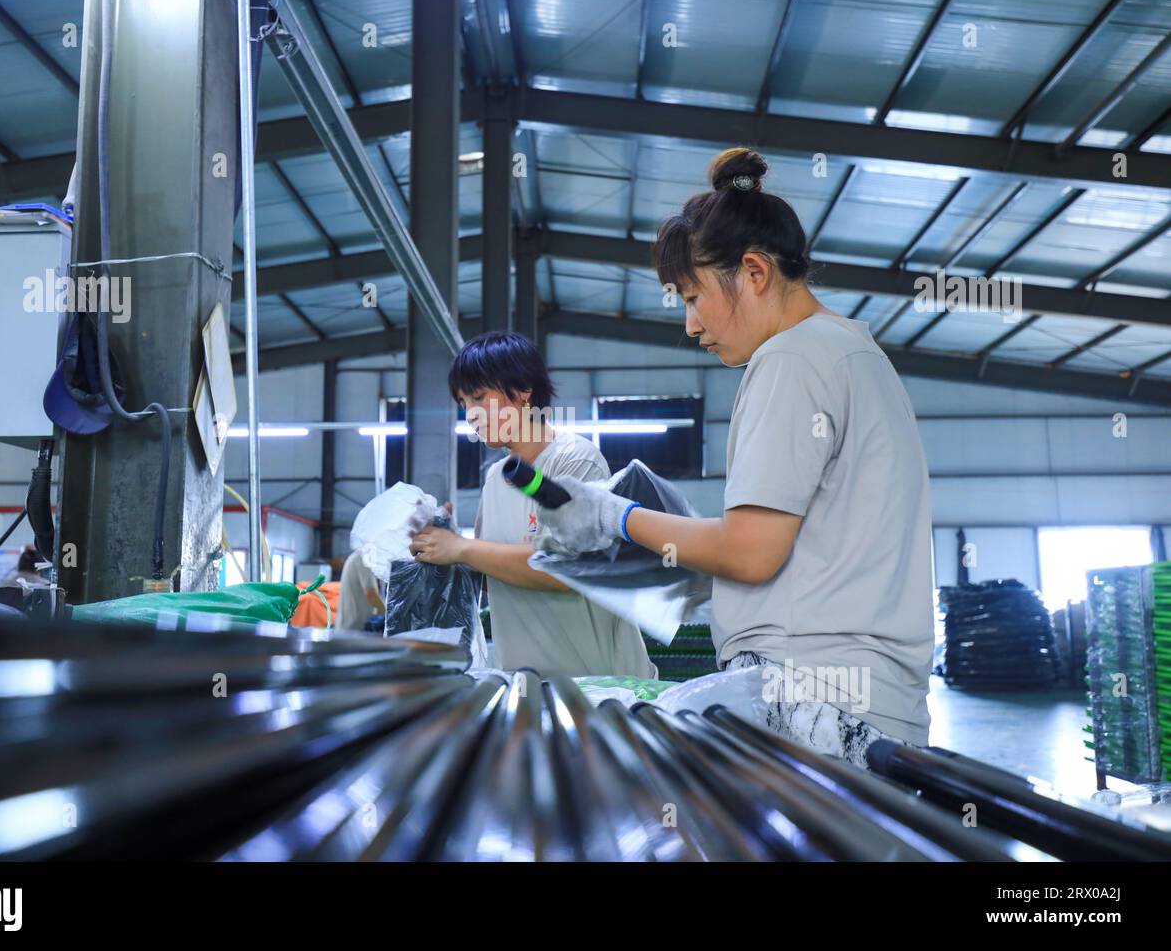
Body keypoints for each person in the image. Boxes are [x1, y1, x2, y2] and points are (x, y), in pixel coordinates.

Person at [535, 148, 934, 766]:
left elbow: (751, 552)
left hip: (812, 702)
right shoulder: (853, 353)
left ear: (753, 271)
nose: (691, 325)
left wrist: (612, 518)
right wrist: (693, 564)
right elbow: (802, 550)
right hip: (868, 706)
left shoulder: (791, 359)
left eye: (693, 297)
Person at [409, 331, 655, 679]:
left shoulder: (576, 461)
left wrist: (462, 548)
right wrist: (440, 544)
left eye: (479, 397)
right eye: (464, 403)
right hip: (526, 681)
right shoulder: (496, 478)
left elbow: (566, 570)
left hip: (597, 684)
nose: (471, 415)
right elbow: (489, 571)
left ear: (524, 391)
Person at [336, 550, 383, 630]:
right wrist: (387, 614)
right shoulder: (364, 558)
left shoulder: (359, 556)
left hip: (352, 627)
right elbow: (371, 594)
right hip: (353, 628)